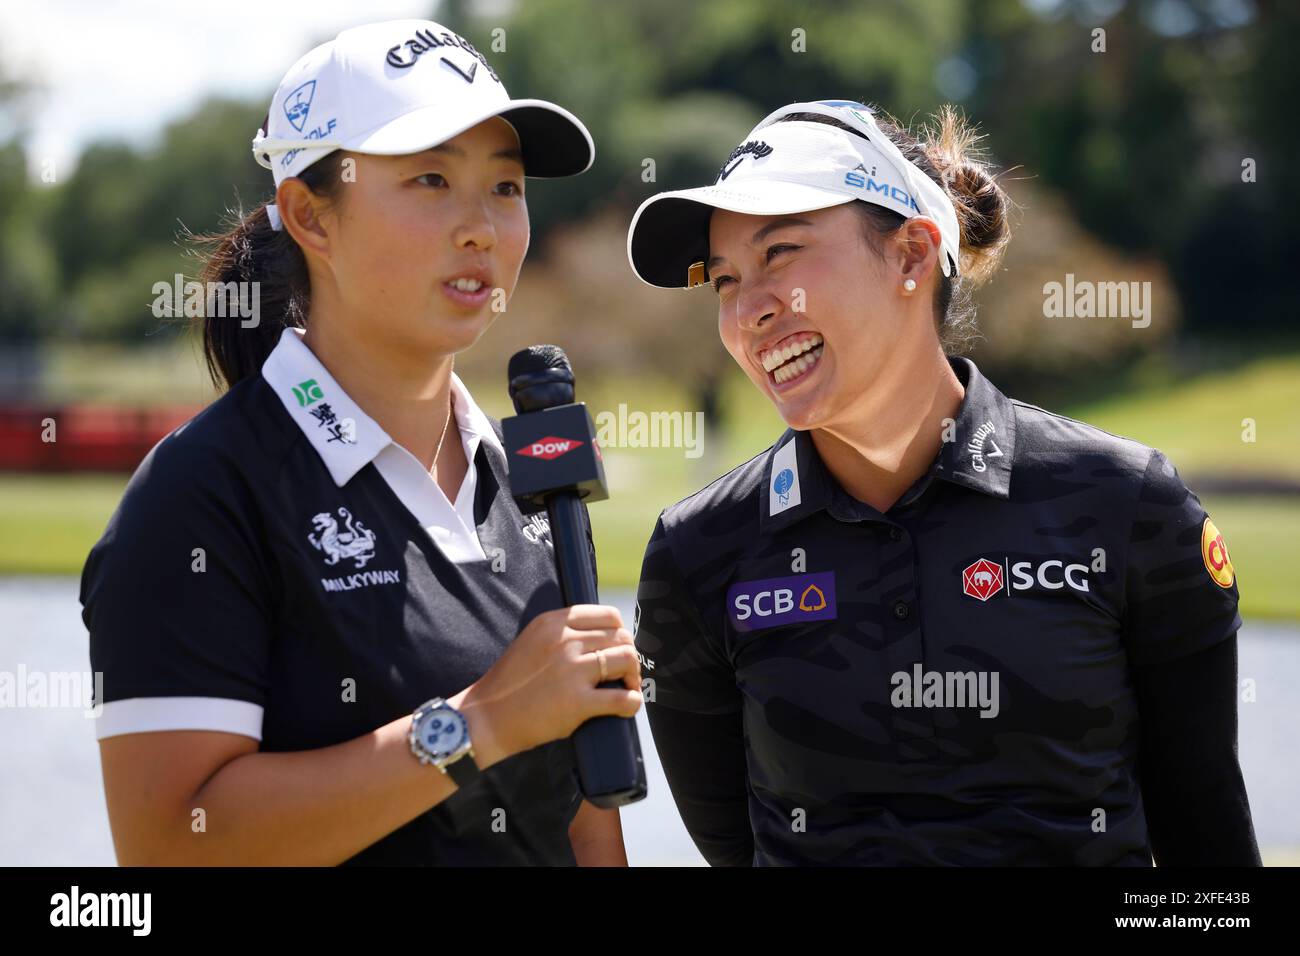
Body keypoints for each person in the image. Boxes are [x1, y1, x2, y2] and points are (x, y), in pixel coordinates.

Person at [624, 98, 1259, 866]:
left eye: (781, 253)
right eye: (724, 280)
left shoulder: (1129, 508)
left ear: (912, 257)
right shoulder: (700, 553)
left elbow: (1211, 860)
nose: (749, 309)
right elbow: (738, 850)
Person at [80, 18, 642, 866]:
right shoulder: (200, 494)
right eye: (429, 179)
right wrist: (479, 724)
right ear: (311, 215)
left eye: (505, 187)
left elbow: (587, 829)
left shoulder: (537, 482)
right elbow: (171, 841)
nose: (481, 228)